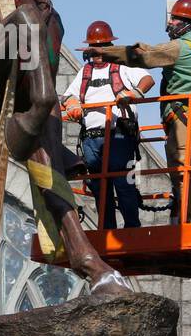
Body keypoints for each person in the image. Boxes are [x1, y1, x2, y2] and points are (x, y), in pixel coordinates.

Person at [100, 0, 191, 223]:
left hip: (184, 118)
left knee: (184, 171)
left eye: (174, 19)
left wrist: (104, 53)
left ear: (186, 23)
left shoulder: (179, 47)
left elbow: (143, 55)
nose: (170, 23)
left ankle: (190, 221)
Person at [60, 21, 155, 229]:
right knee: (99, 187)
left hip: (119, 136)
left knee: (124, 184)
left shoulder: (123, 66)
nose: (98, 54)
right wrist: (71, 103)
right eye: (95, 49)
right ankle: (107, 229)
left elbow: (147, 80)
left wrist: (133, 94)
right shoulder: (85, 72)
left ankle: (132, 228)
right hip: (92, 139)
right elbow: (68, 95)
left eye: (102, 47)